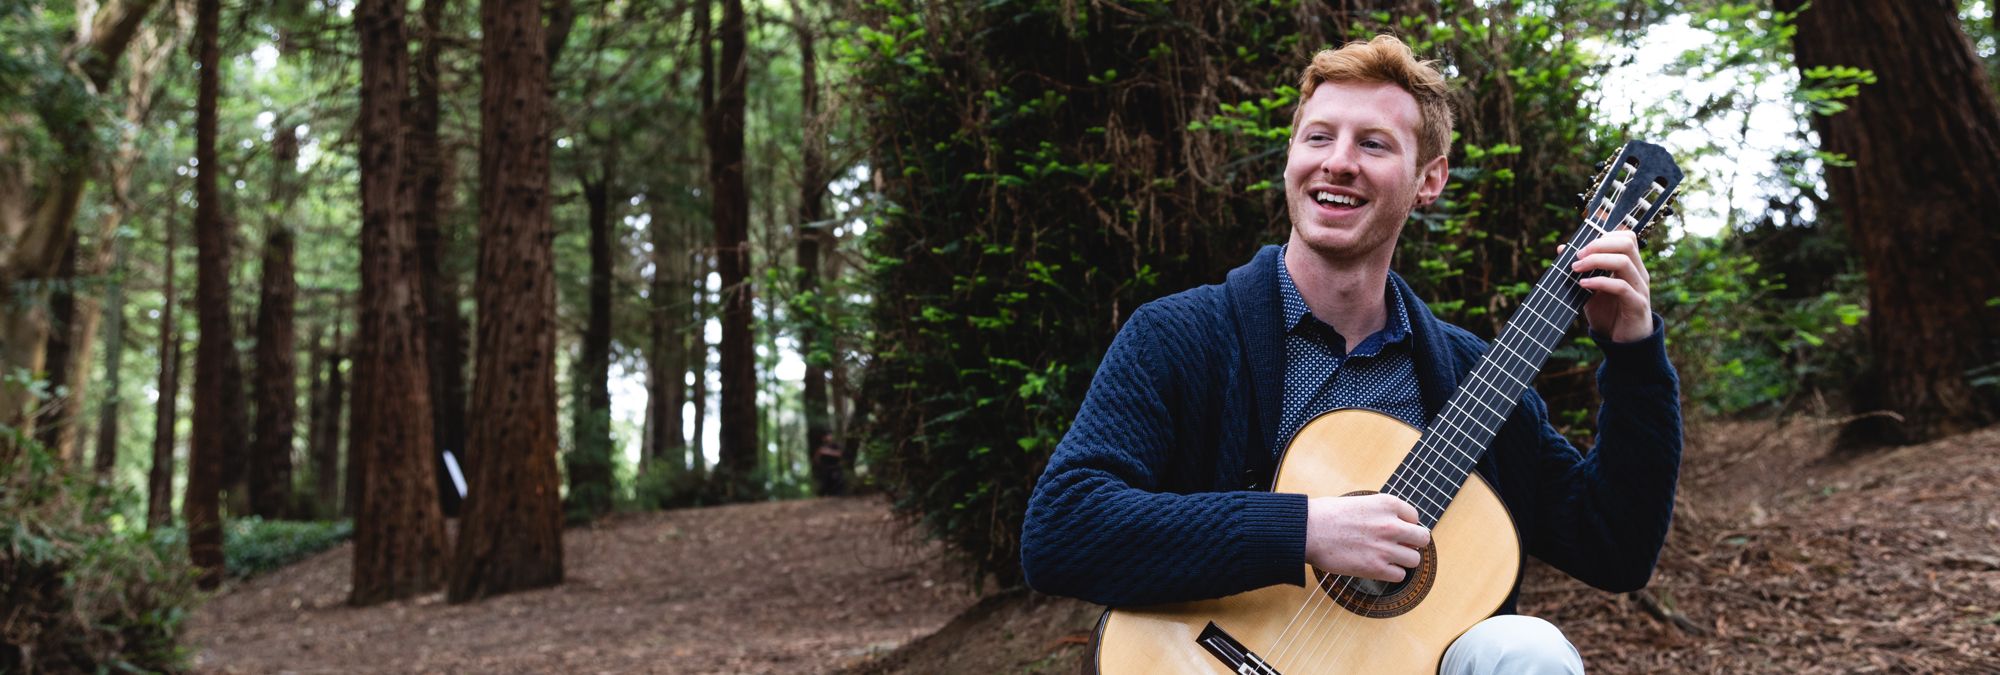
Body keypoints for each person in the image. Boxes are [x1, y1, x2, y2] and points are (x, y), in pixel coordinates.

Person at [1019, 35, 1681, 674]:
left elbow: (1616, 547)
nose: (1338, 161)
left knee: (1526, 650)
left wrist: (1634, 351)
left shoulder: (1477, 383)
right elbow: (1061, 528)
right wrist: (1303, 528)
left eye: (1372, 143)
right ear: (1290, 160)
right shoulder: (1180, 337)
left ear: (1430, 180)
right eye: (1319, 136)